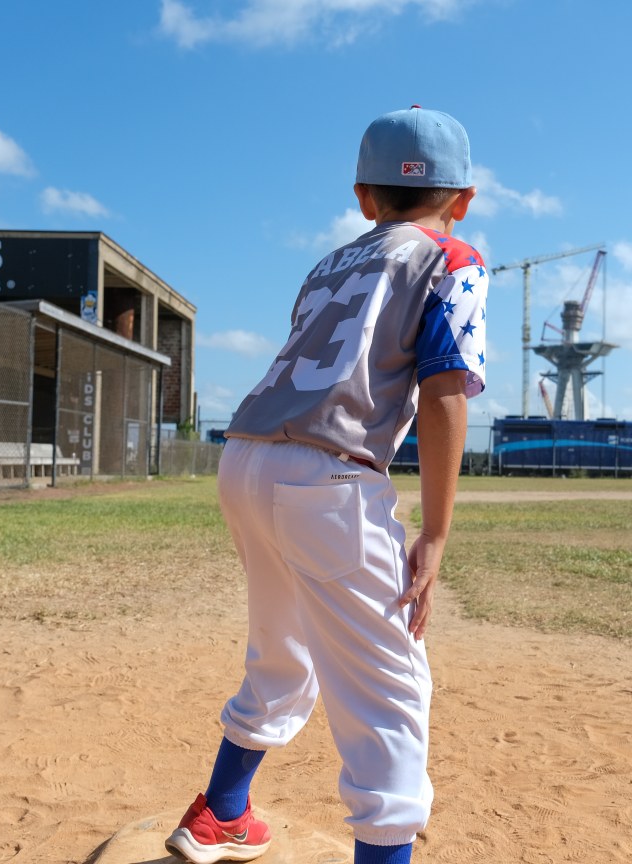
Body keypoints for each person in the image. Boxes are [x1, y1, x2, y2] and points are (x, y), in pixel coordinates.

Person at [164, 106, 488, 864]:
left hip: (244, 458)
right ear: (462, 199)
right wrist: (435, 535)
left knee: (285, 648)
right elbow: (443, 392)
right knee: (390, 694)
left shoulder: (329, 264)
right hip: (328, 474)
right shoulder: (452, 254)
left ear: (363, 198)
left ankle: (222, 811)